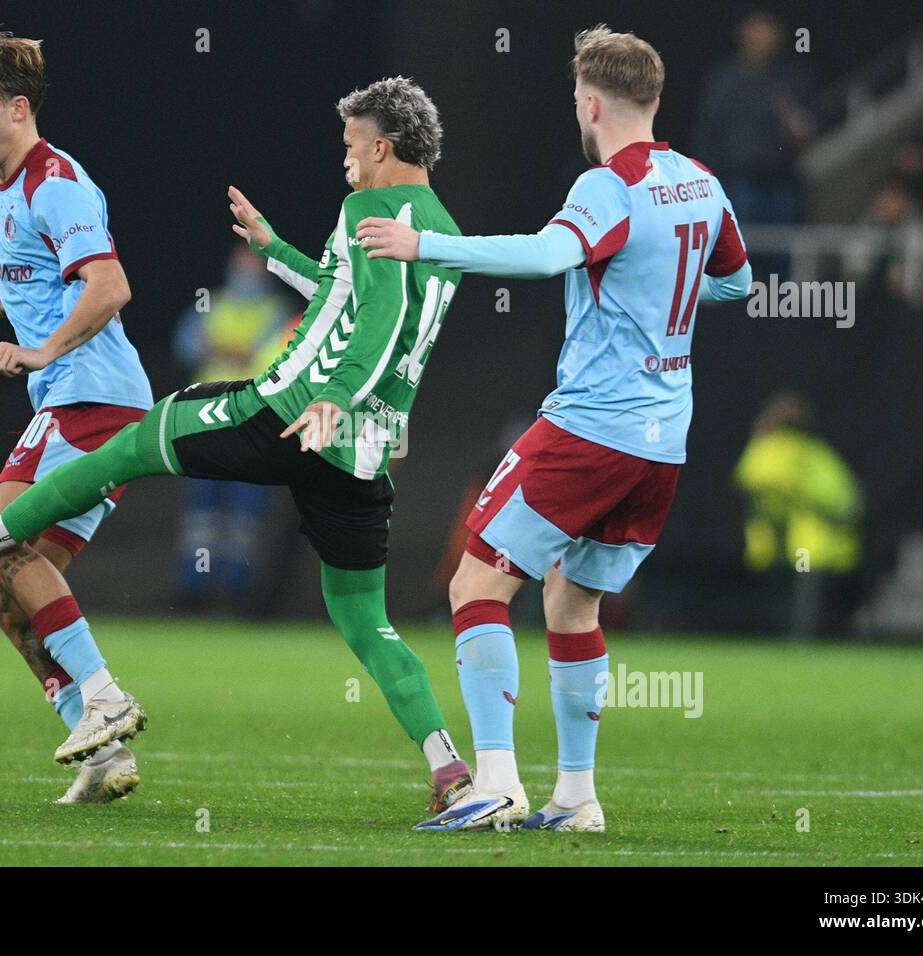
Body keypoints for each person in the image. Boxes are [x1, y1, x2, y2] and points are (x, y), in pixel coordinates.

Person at [0, 78, 477, 818]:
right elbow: (346, 295)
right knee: (363, 622)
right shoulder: (437, 229)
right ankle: (450, 770)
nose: (344, 161)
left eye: (350, 147)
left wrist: (329, 396)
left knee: (138, 438)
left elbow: (376, 323)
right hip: (359, 452)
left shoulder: (369, 208)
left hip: (290, 412)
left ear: (381, 147)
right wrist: (275, 247)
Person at [356, 24, 753, 832]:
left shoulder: (606, 187)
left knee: (475, 585)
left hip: (591, 429)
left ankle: (496, 784)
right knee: (572, 605)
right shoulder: (701, 182)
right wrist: (662, 303)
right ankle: (577, 797)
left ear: (589, 101)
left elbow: (545, 258)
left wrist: (423, 244)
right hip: (664, 440)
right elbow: (738, 283)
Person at [0, 31, 153, 804]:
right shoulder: (11, 188)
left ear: (18, 109)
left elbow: (109, 286)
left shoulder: (57, 183)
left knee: (2, 544)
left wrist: (39, 351)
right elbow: (34, 287)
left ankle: (106, 695)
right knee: (2, 592)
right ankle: (102, 748)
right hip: (73, 399)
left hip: (94, 398)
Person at [170, 247, 293, 608]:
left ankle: (239, 592)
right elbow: (188, 345)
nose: (245, 272)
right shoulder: (212, 303)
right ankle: (194, 589)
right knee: (201, 512)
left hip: (252, 423)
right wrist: (232, 350)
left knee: (246, 513)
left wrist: (222, 348)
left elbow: (271, 355)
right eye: (241, 265)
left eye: (252, 266)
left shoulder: (276, 310)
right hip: (203, 421)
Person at [734, 392, 862, 637]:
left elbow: (746, 481)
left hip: (779, 540)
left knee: (783, 602)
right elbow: (846, 499)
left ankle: (785, 640)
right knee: (803, 603)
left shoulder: (762, 449)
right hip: (810, 540)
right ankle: (801, 641)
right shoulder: (814, 453)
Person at [690, 10, 813, 225]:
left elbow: (806, 131)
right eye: (757, 31)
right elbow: (708, 130)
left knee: (782, 244)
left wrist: (793, 120)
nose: (763, 38)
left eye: (768, 32)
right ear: (744, 34)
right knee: (740, 245)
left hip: (781, 180)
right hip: (739, 180)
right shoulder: (724, 80)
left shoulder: (791, 79)